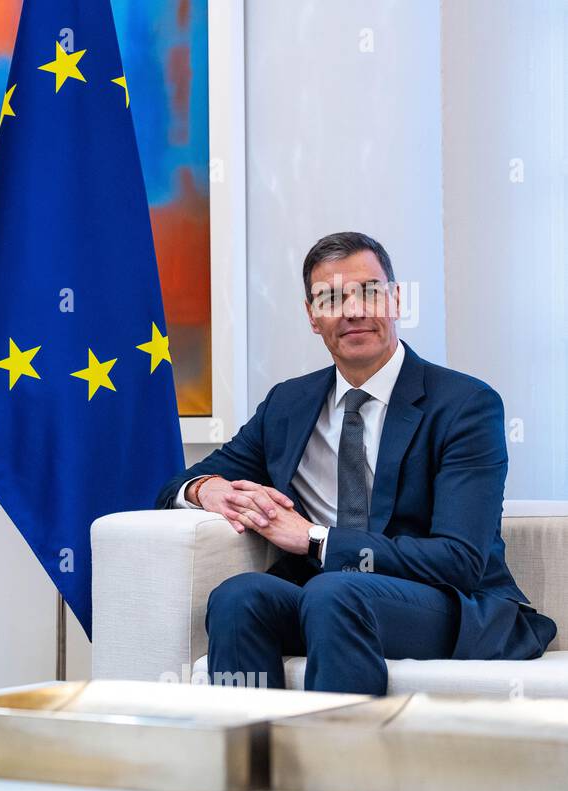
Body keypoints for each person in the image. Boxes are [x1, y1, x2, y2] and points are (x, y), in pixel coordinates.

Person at [158, 232, 556, 695]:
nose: (353, 310)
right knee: (238, 595)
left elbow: (461, 560)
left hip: (447, 604)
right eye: (330, 298)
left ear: (396, 299)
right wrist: (205, 488)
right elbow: (176, 484)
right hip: (328, 601)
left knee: (333, 593)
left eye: (368, 291)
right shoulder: (289, 405)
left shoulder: (465, 404)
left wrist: (314, 539)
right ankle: (253, 761)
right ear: (311, 316)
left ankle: (342, 766)